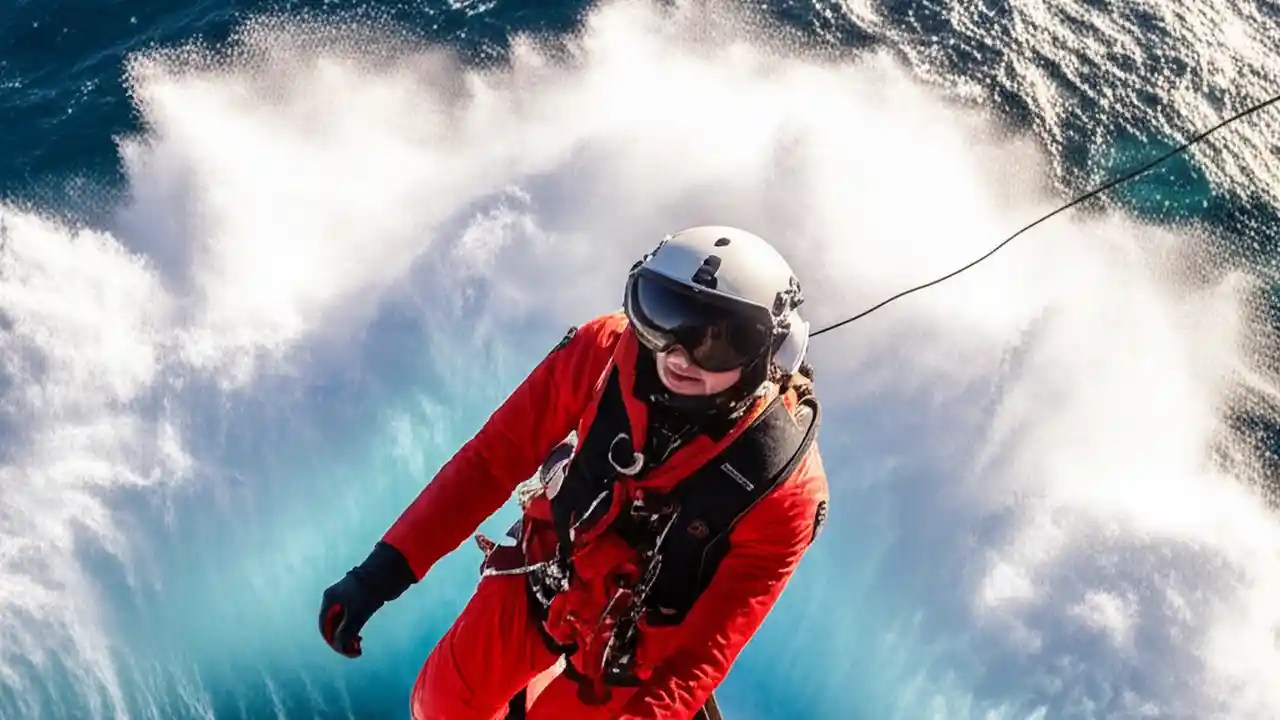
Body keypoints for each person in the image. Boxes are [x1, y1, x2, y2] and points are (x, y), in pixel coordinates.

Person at [319, 226, 830, 720]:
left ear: (772, 352)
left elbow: (701, 656)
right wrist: (379, 575)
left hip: (635, 651)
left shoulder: (785, 489)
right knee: (440, 707)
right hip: (549, 571)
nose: (678, 354)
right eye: (663, 316)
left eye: (718, 342)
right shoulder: (603, 351)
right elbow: (492, 461)